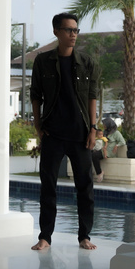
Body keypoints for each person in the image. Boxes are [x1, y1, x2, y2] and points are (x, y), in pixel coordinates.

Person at [29, 13, 100, 251]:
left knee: (85, 187)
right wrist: (38, 125)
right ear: (56, 32)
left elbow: (92, 97)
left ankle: (84, 236)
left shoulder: (87, 62)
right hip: (53, 133)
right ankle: (45, 237)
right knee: (48, 187)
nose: (73, 34)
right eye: (69, 30)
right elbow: (36, 95)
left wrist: (93, 129)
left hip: (80, 134)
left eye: (76, 30)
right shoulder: (43, 61)